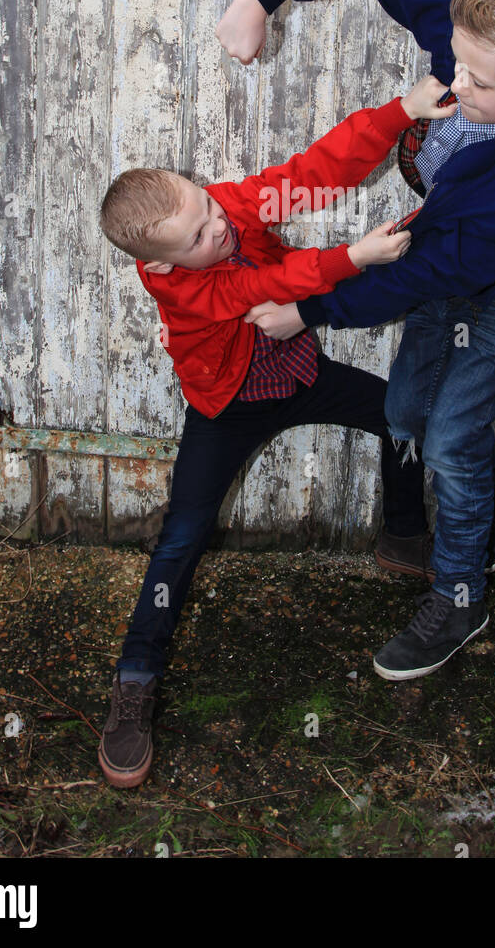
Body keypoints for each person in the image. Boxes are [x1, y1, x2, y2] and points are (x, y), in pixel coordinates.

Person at [216, 0, 495, 681]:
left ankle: (458, 598)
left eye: (478, 84)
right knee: (404, 412)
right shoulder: (474, 38)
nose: (454, 82)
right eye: (452, 58)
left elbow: (424, 275)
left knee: (450, 433)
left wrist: (311, 307)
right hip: (451, 240)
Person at [95, 72, 448, 786]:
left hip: (297, 372)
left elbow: (313, 173)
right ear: (162, 262)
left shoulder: (225, 207)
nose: (218, 225)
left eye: (207, 205)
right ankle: (135, 679)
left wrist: (398, 113)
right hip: (229, 405)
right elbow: (256, 289)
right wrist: (353, 258)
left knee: (402, 419)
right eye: (199, 233)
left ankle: (404, 536)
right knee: (181, 537)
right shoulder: (182, 284)